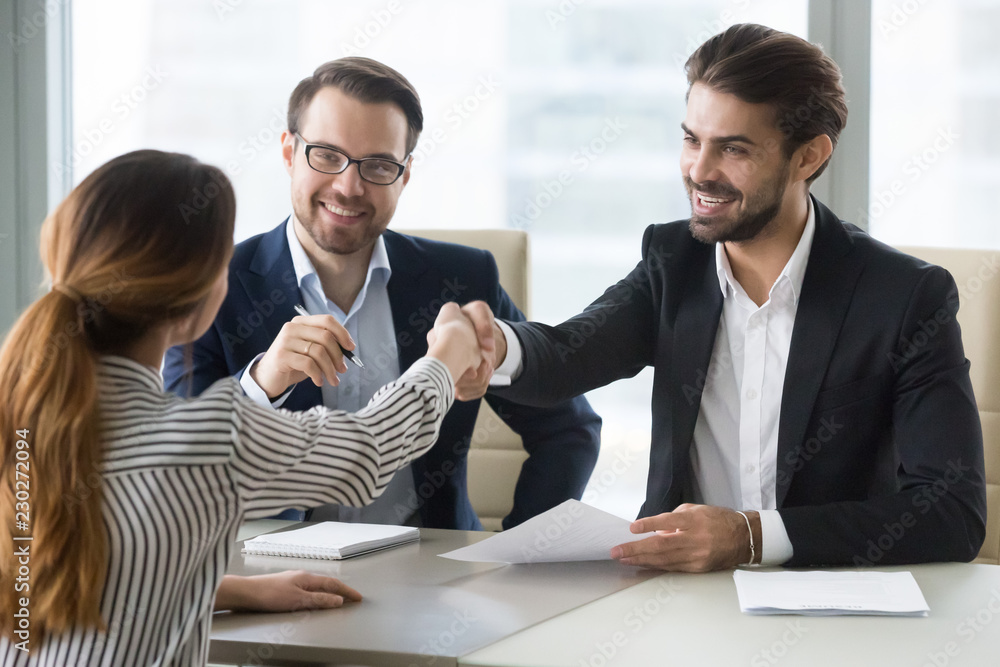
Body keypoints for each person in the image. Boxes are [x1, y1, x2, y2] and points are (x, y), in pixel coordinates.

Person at [460, 23, 987, 571]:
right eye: (692, 140)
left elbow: (951, 511)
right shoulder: (674, 262)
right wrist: (492, 345)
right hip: (676, 595)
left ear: (808, 157)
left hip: (826, 598)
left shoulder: (904, 297)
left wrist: (750, 538)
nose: (699, 171)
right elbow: (567, 355)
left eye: (733, 149)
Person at [0, 150, 484, 664]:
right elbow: (369, 452)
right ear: (198, 293)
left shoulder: (22, 412)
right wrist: (445, 357)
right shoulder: (210, 437)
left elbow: (78, 578)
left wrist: (228, 589)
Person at [162, 57, 601, 532]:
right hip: (270, 570)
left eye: (377, 165)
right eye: (326, 155)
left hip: (431, 569)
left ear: (404, 175)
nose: (348, 187)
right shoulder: (212, 282)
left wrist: (514, 556)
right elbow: (173, 465)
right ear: (289, 153)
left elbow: (569, 429)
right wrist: (262, 382)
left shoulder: (463, 279)